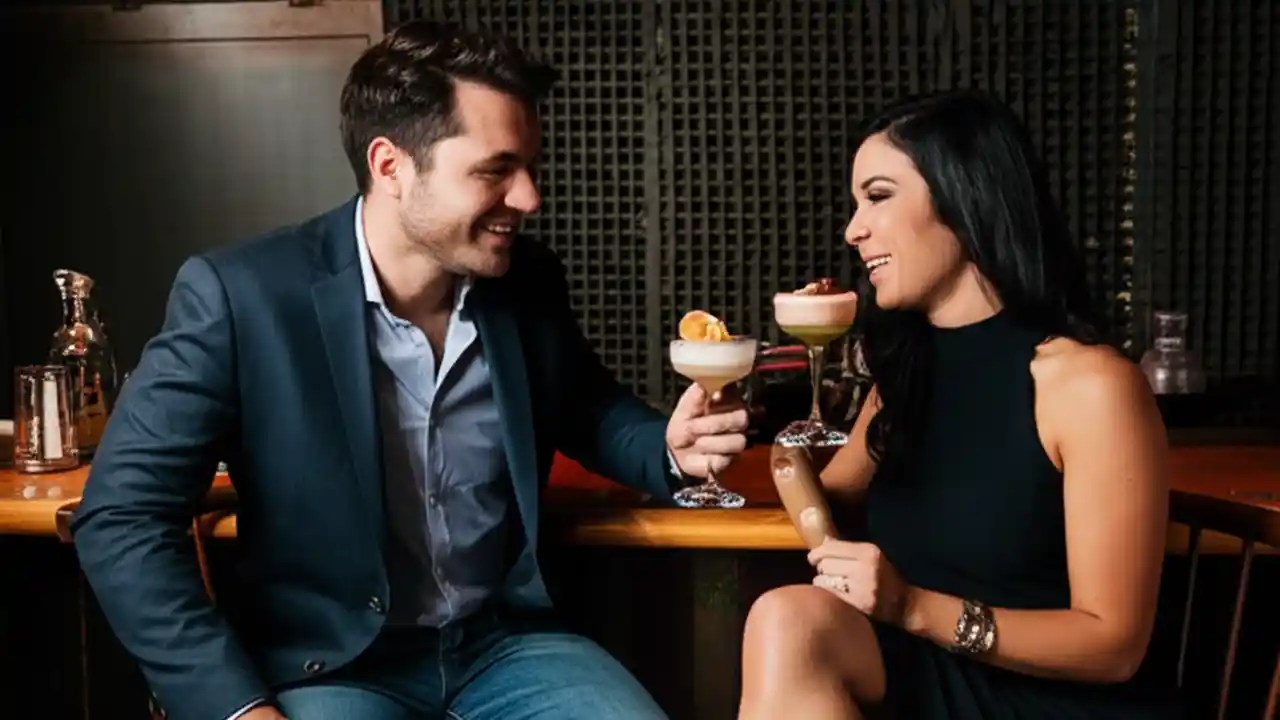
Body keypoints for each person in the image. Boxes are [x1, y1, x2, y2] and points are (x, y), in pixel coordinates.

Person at [72, 21, 748, 720]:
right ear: (391, 166)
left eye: (530, 169)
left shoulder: (527, 280)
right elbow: (122, 517)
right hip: (331, 665)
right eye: (495, 171)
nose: (529, 199)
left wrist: (667, 448)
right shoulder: (240, 296)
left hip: (508, 646)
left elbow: (587, 407)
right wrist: (236, 707)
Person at [738, 90, 1178, 719]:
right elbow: (827, 488)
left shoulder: (1090, 385)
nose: (852, 230)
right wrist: (784, 445)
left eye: (878, 196)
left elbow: (1113, 645)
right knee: (786, 620)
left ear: (964, 197)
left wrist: (912, 607)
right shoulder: (908, 376)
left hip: (1057, 700)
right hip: (931, 676)